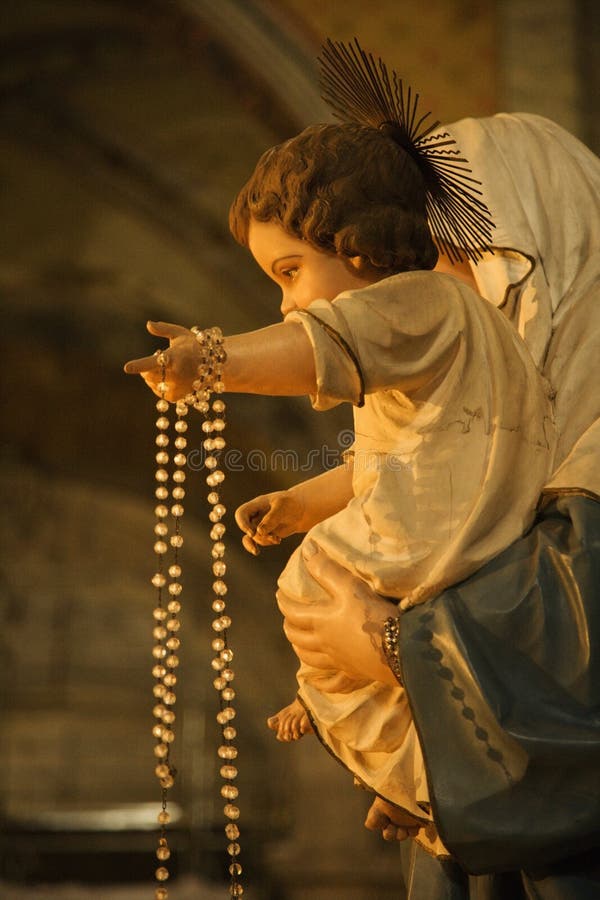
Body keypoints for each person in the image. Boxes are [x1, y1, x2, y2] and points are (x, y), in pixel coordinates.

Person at [278, 110, 600, 896]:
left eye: (448, 266)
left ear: (534, 266)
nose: (421, 302)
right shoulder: (477, 453)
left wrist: (390, 646)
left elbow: (577, 669)